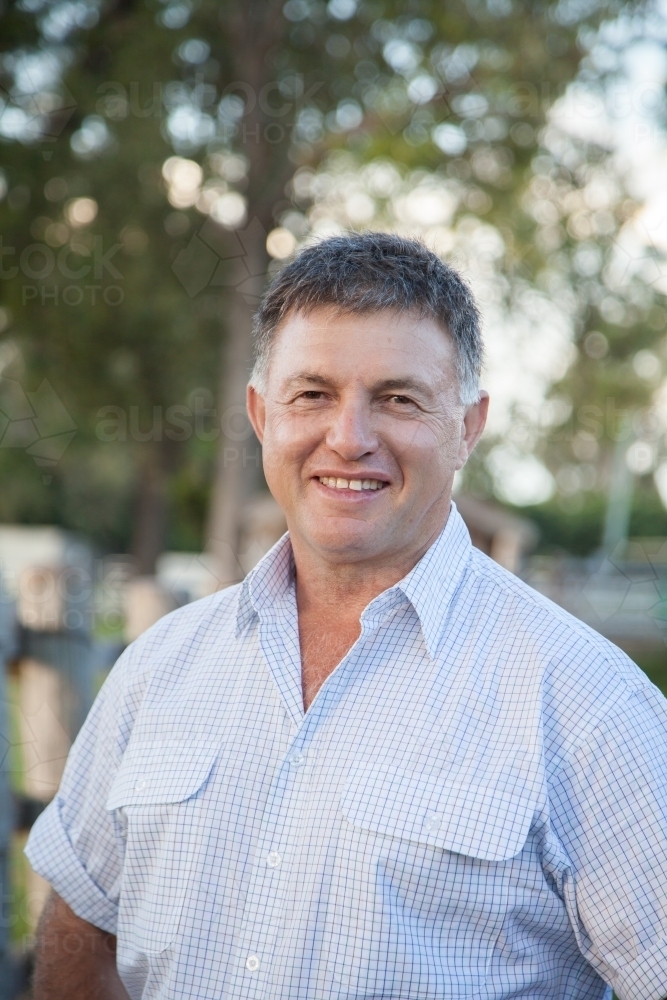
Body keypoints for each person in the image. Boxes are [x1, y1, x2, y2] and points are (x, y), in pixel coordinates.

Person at [27, 232, 667, 1000]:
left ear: (466, 426)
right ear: (263, 415)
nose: (350, 438)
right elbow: (81, 920)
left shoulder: (590, 707)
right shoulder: (160, 666)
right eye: (312, 395)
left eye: (397, 399)